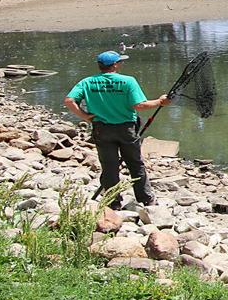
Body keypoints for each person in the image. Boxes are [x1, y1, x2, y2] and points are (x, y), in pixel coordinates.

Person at [63, 51, 169, 209]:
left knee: (109, 165)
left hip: (101, 129)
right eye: (119, 62)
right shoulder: (127, 81)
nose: (121, 64)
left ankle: (113, 202)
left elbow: (69, 100)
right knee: (135, 164)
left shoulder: (87, 82)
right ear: (114, 65)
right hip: (126, 129)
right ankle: (146, 199)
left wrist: (85, 116)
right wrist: (160, 102)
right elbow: (139, 105)